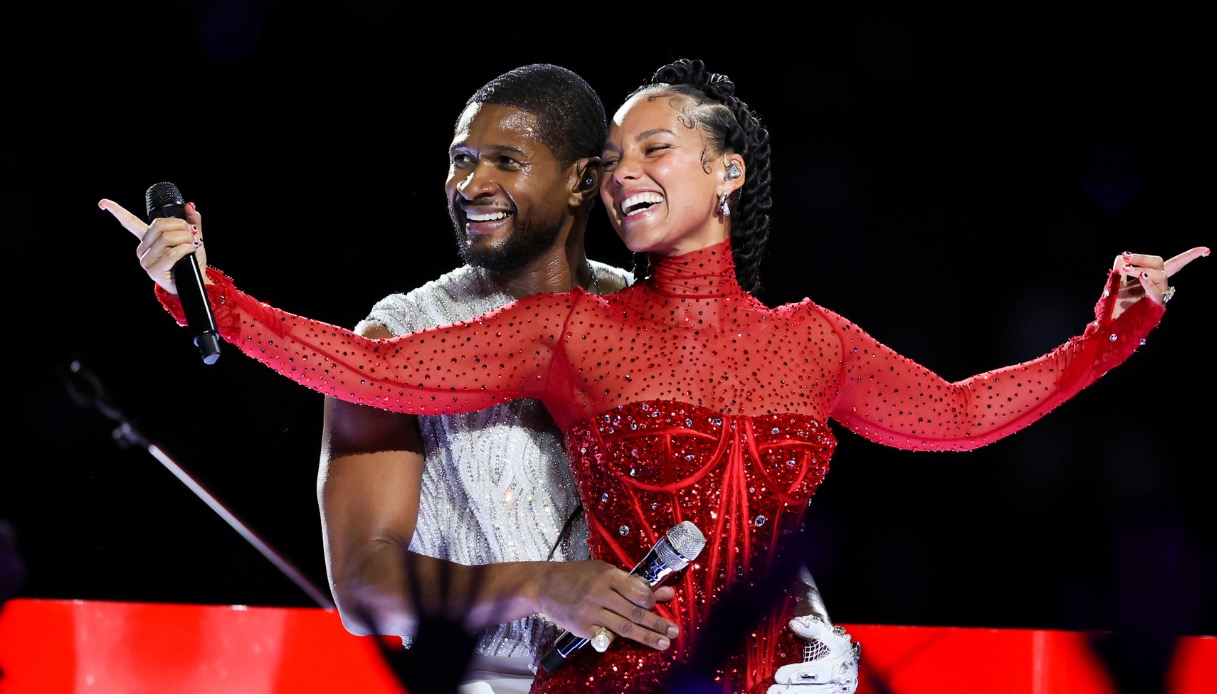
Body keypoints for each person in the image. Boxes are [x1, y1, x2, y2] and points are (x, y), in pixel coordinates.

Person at [102, 57, 1208, 694]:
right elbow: (369, 365)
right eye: (617, 157)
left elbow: (959, 416)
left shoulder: (812, 341)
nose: (627, 172)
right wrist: (207, 291)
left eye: (655, 148)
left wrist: (1104, 339)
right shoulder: (571, 330)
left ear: (725, 170)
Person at [315, 63, 643, 694]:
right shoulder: (397, 339)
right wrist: (539, 587)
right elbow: (362, 587)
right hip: (476, 680)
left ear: (582, 180)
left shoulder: (649, 323)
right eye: (461, 159)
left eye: (504, 161)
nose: (470, 184)